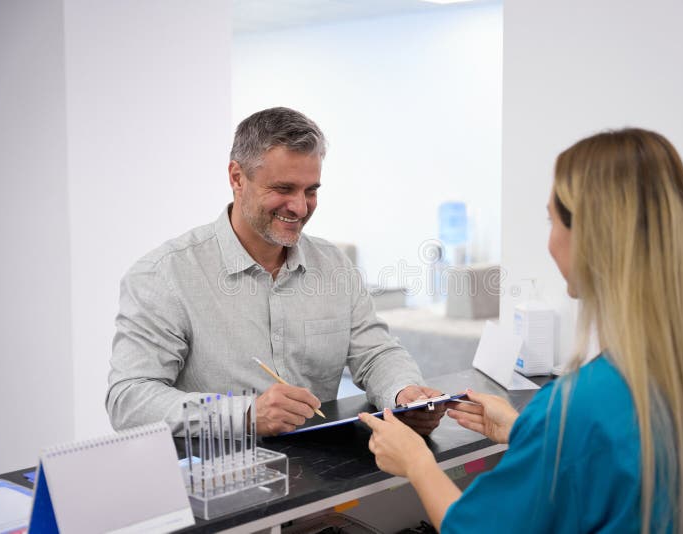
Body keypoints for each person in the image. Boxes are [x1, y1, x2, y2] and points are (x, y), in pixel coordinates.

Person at [359, 128, 683, 532]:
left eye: (552, 220)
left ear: (592, 238)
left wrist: (416, 463)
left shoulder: (577, 407)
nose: (549, 242)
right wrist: (528, 431)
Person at [107, 107, 445, 436]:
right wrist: (246, 415)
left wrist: (404, 394)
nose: (299, 207)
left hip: (323, 475)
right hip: (218, 481)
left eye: (310, 191)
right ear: (237, 178)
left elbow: (376, 353)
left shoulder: (333, 265)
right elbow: (130, 400)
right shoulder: (164, 275)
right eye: (283, 189)